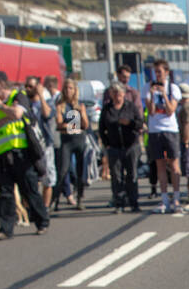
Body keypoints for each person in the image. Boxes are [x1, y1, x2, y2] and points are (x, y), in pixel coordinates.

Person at [0, 70, 50, 238]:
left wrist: (2, 107)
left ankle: (42, 221)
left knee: (29, 189)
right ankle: (5, 229)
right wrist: (6, 117)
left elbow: (17, 113)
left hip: (21, 153)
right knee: (5, 193)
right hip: (1, 154)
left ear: (0, 86)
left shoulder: (18, 96)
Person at [99, 82, 144, 211]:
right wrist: (106, 144)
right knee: (116, 176)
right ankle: (119, 202)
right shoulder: (107, 109)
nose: (117, 95)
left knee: (132, 174)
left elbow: (140, 123)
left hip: (130, 145)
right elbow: (102, 129)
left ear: (124, 94)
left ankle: (133, 202)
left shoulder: (130, 107)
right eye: (114, 93)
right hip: (114, 147)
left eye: (119, 93)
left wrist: (129, 123)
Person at [145, 59, 182, 212]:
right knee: (159, 165)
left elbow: (171, 110)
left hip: (170, 130)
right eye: (156, 72)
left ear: (166, 73)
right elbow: (151, 111)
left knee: (173, 165)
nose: (157, 75)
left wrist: (164, 95)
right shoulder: (148, 87)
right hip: (155, 130)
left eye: (160, 72)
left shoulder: (173, 88)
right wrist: (153, 95)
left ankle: (177, 198)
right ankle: (164, 198)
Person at [53, 78, 90, 210]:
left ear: (75, 90)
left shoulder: (80, 105)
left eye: (71, 88)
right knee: (62, 170)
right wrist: (74, 125)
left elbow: (85, 125)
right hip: (66, 141)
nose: (68, 91)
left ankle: (80, 198)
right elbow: (59, 124)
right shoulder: (60, 105)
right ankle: (55, 200)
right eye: (66, 88)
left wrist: (79, 115)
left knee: (81, 171)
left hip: (79, 140)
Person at [24, 75, 58, 215]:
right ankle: (32, 208)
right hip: (29, 146)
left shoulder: (49, 102)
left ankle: (45, 207)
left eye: (31, 86)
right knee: (31, 179)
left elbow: (47, 114)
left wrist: (41, 96)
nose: (28, 89)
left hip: (46, 145)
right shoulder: (24, 104)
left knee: (48, 178)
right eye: (26, 86)